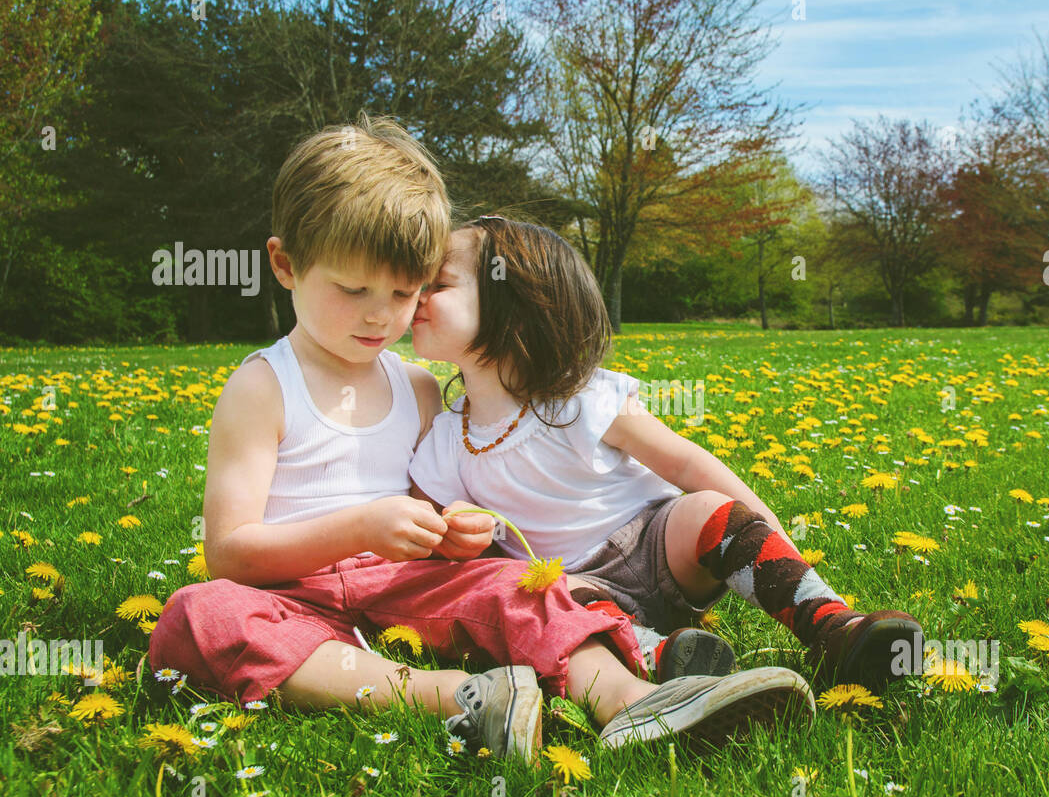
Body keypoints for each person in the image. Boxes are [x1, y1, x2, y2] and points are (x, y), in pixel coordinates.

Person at [149, 115, 814, 761]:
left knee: (514, 584)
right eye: (353, 289)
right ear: (287, 265)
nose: (381, 314)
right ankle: (453, 697)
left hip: (406, 585)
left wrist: (451, 528)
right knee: (198, 616)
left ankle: (628, 699)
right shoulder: (263, 387)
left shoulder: (415, 388)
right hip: (289, 593)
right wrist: (360, 529)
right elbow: (230, 553)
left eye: (406, 291)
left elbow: (430, 510)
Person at [408, 216, 925, 692]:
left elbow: (687, 465)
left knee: (702, 508)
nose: (415, 295)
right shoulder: (446, 438)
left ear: (514, 308)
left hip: (657, 547)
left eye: (438, 284)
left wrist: (769, 535)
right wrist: (455, 535)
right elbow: (433, 540)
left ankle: (832, 626)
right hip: (571, 585)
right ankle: (670, 658)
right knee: (551, 604)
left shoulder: (583, 400)